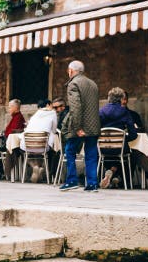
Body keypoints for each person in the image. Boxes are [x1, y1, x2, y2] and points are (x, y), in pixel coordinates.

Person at [59, 60, 100, 192]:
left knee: (70, 150)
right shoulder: (93, 84)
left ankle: (72, 180)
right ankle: (92, 184)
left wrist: (77, 128)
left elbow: (75, 107)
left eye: (68, 71)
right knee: (91, 153)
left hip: (80, 125)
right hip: (93, 125)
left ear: (71, 71)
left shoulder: (73, 84)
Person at [99, 87, 137, 189]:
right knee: (129, 155)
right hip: (120, 148)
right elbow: (133, 134)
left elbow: (96, 129)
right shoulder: (125, 112)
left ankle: (111, 174)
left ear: (109, 98)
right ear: (121, 99)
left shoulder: (101, 111)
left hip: (102, 148)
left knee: (107, 156)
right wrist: (123, 139)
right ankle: (120, 179)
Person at [23, 99, 58, 183]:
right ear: (48, 105)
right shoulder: (53, 113)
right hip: (43, 147)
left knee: (21, 150)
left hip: (29, 147)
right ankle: (42, 169)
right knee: (50, 151)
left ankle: (34, 166)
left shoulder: (35, 115)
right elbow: (54, 130)